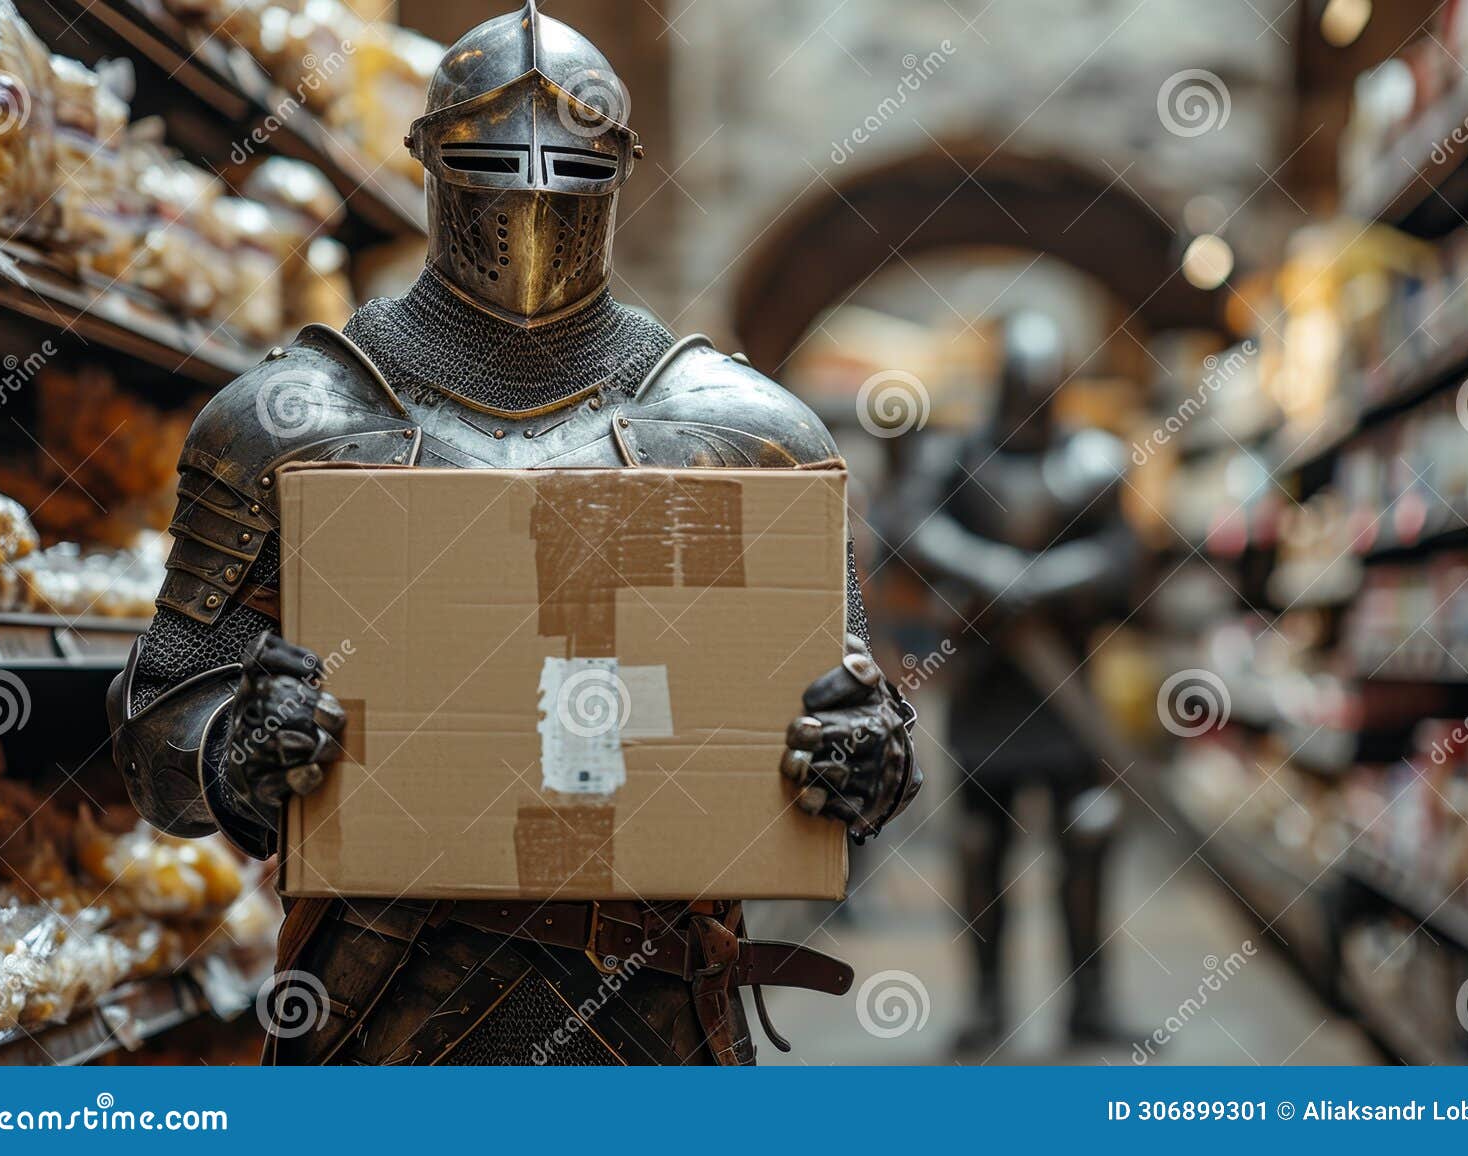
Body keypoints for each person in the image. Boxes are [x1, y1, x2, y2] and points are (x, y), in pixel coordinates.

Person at [107, 2, 920, 1066]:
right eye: (492, 162)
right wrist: (237, 746)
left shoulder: (747, 433)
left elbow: (846, 697)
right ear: (429, 163)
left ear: (619, 171)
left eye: (570, 167)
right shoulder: (288, 420)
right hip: (376, 992)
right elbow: (158, 726)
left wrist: (863, 755)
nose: (533, 194)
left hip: (656, 992)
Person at [894, 309, 1136, 1053]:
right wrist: (990, 569)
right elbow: (910, 524)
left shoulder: (1093, 459)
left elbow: (1123, 555)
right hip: (985, 681)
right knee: (977, 845)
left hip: (1062, 684)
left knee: (1089, 834)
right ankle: (986, 1005)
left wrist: (1044, 581)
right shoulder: (956, 455)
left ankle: (1090, 1004)